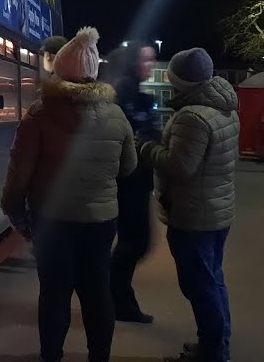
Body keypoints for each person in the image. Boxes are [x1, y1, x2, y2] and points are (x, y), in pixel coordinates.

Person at [2, 27, 137, 362]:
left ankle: (51, 356)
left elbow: (20, 172)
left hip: (52, 220)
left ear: (60, 69)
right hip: (101, 220)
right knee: (97, 291)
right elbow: (128, 166)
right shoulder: (116, 115)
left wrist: (15, 211)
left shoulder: (40, 113)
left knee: (54, 294)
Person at [139, 47, 238, 362]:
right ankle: (216, 344)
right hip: (215, 211)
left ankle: (213, 351)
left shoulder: (192, 116)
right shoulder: (223, 107)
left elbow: (180, 165)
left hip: (194, 215)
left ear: (182, 80)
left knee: (200, 286)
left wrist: (147, 148)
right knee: (212, 280)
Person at [105, 42, 162, 324]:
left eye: (153, 60)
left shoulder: (136, 92)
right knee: (136, 242)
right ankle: (116, 301)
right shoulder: (124, 92)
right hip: (129, 180)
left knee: (136, 242)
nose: (150, 65)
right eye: (145, 60)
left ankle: (115, 299)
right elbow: (130, 136)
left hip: (137, 180)